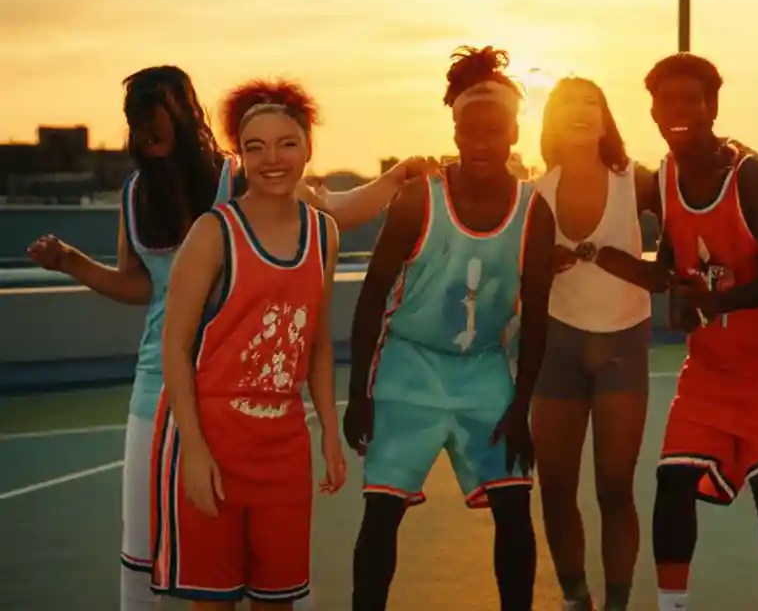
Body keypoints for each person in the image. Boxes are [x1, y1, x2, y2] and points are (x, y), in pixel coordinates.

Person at [23, 65, 424, 611]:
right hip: (168, 388)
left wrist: (396, 179)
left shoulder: (242, 179)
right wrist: (71, 262)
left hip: (260, 412)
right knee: (147, 560)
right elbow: (141, 287)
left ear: (188, 114)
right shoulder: (139, 195)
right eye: (138, 117)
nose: (148, 127)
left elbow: (327, 221)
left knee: (277, 585)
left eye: (158, 111)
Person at [344, 45, 556, 611]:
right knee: (382, 513)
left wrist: (522, 406)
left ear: (515, 134)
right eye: (469, 130)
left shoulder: (535, 211)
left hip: (484, 370)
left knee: (514, 508)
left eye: (495, 132)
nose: (481, 143)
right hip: (407, 368)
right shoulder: (419, 199)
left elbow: (536, 315)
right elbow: (370, 300)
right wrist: (357, 394)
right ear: (454, 130)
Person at [625, 53, 758, 611]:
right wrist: (598, 259)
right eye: (668, 102)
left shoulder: (751, 176)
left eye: (692, 100)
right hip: (712, 363)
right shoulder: (663, 176)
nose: (680, 111)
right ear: (654, 111)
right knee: (674, 479)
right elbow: (673, 257)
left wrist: (716, 300)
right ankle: (672, 606)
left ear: (713, 106)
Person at [149, 79, 346, 609]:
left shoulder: (324, 233)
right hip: (211, 436)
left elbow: (318, 344)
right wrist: (192, 448)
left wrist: (329, 430)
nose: (272, 159)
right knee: (212, 602)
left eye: (286, 143)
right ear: (239, 155)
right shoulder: (214, 232)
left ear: (308, 147)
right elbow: (175, 346)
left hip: (282, 442)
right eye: (254, 147)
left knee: (277, 600)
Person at [530, 77, 656, 611]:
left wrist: (634, 266)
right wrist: (542, 265)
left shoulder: (640, 182)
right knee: (556, 487)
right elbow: (517, 278)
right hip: (557, 346)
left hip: (622, 346)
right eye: (566, 104)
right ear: (550, 122)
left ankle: (618, 604)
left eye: (591, 103)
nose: (580, 111)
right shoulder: (535, 194)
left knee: (613, 487)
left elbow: (674, 267)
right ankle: (576, 596)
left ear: (606, 120)